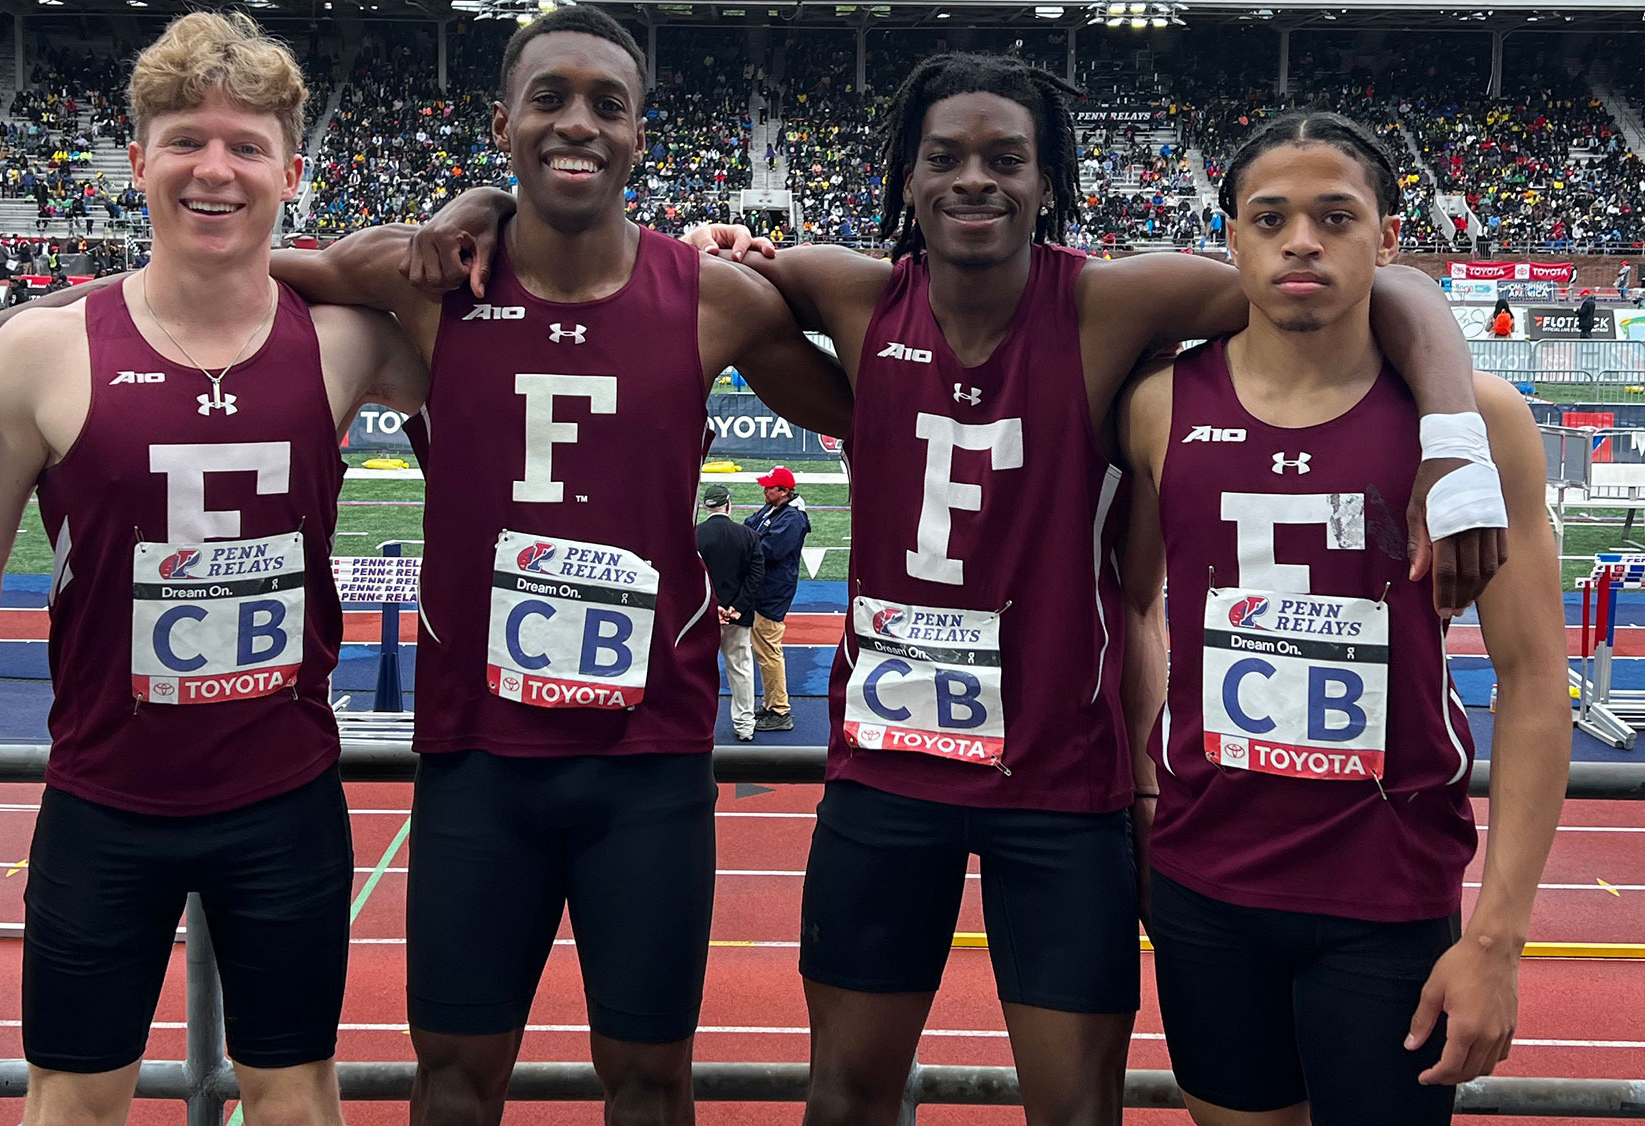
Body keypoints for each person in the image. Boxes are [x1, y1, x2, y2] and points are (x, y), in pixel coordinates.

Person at [0, 8, 853, 1124]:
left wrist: (756, 249)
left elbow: (879, 399)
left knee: (627, 1080)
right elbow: (200, 270)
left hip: (620, 759)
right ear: (501, 124)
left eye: (606, 104)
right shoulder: (417, 288)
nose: (575, 123)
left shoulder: (688, 298)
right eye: (547, 99)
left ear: (640, 133)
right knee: (419, 1080)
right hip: (441, 757)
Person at [645, 52, 1508, 1126]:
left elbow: (1381, 282)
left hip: (1060, 789)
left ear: (1047, 179)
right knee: (846, 1094)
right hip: (885, 774)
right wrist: (709, 246)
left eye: (1006, 159)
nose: (975, 180)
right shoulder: (848, 291)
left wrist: (1452, 438)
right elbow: (695, 276)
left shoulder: (1110, 301)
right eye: (945, 158)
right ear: (904, 182)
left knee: (1073, 1106)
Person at [0, 13, 432, 1126]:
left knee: (293, 1094)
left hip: (284, 798)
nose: (214, 168)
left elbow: (517, 323)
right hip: (104, 801)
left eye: (244, 145)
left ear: (291, 170)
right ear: (135, 160)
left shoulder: (346, 343)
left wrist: (696, 250)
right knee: (74, 1098)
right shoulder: (43, 350)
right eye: (185, 140)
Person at [1114, 111, 1569, 1126]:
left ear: (1388, 238)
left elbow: (1536, 680)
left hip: (1389, 891)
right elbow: (1133, 602)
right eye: (1269, 218)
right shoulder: (1156, 406)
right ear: (1230, 238)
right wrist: (1147, 803)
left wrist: (1495, 937)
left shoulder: (1478, 423)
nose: (1301, 241)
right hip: (1204, 882)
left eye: (1334, 216)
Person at [695, 481, 765, 741]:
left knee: (699, 670)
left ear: (705, 506)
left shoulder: (695, 535)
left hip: (703, 615)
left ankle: (699, 724)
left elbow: (691, 577)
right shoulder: (748, 535)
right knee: (742, 670)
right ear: (728, 505)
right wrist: (736, 607)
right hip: (738, 616)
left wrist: (714, 607)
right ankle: (745, 725)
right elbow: (756, 576)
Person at [743, 464, 809, 732]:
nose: (764, 489)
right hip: (764, 586)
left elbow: (770, 550)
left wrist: (750, 542)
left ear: (783, 491)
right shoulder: (775, 510)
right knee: (763, 649)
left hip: (773, 590)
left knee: (768, 650)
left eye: (769, 487)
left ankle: (780, 711)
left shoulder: (792, 519)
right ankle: (771, 704)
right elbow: (750, 527)